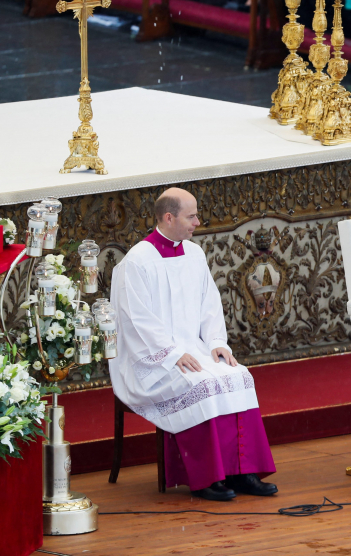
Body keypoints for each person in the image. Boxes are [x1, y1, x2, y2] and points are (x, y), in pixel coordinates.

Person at [109, 188, 277, 502]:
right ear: (168, 217)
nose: (198, 222)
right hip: (152, 357)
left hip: (193, 346)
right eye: (191, 216)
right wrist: (172, 354)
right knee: (198, 382)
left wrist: (215, 341)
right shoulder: (137, 262)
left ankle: (242, 472)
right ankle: (204, 478)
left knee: (237, 375)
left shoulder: (194, 253)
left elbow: (208, 302)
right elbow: (136, 320)